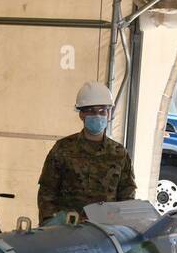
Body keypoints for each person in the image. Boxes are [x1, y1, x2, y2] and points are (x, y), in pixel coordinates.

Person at [37, 81, 136, 223]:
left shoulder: (119, 153)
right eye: (91, 110)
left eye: (102, 111)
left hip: (105, 233)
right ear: (81, 114)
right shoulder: (63, 148)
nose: (97, 115)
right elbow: (47, 192)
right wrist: (50, 224)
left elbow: (127, 196)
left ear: (109, 114)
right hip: (67, 230)